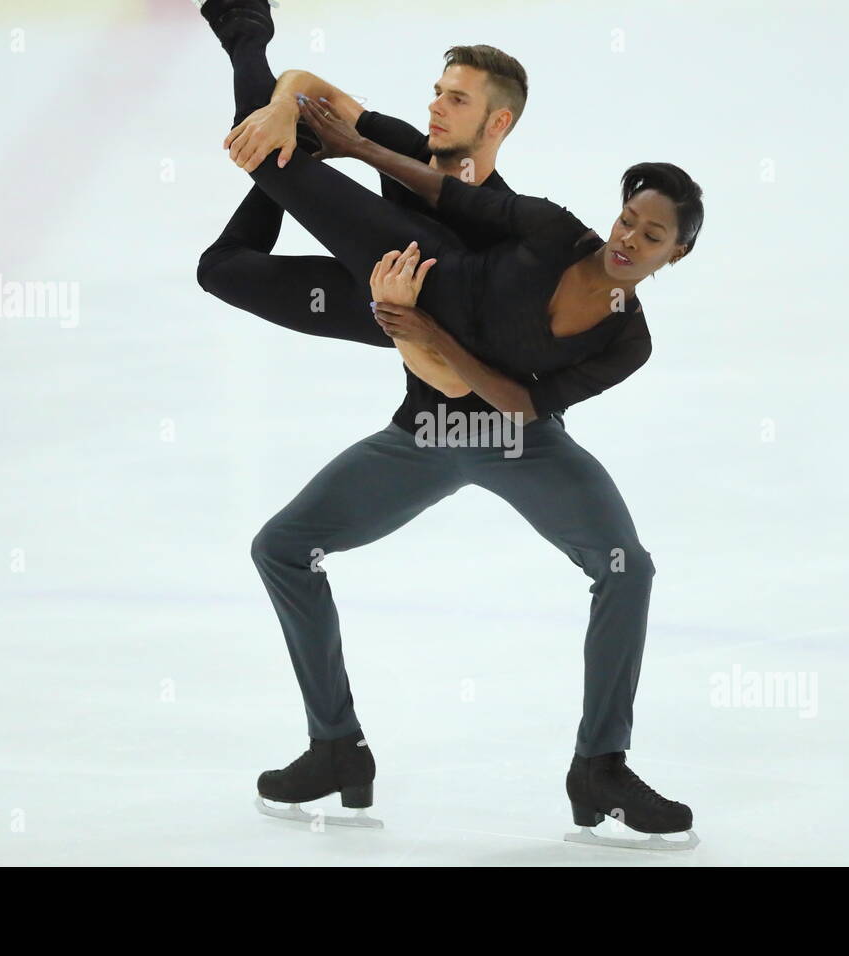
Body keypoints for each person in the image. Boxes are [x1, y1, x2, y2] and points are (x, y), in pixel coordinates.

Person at [194, 0, 704, 845]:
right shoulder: (531, 221)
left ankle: (599, 768)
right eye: (629, 219)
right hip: (420, 404)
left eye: (456, 100)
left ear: (672, 254)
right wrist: (302, 119)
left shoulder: (622, 330)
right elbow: (349, 128)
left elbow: (515, 401)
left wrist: (409, 323)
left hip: (509, 429)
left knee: (627, 567)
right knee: (281, 544)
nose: (437, 109)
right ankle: (336, 748)